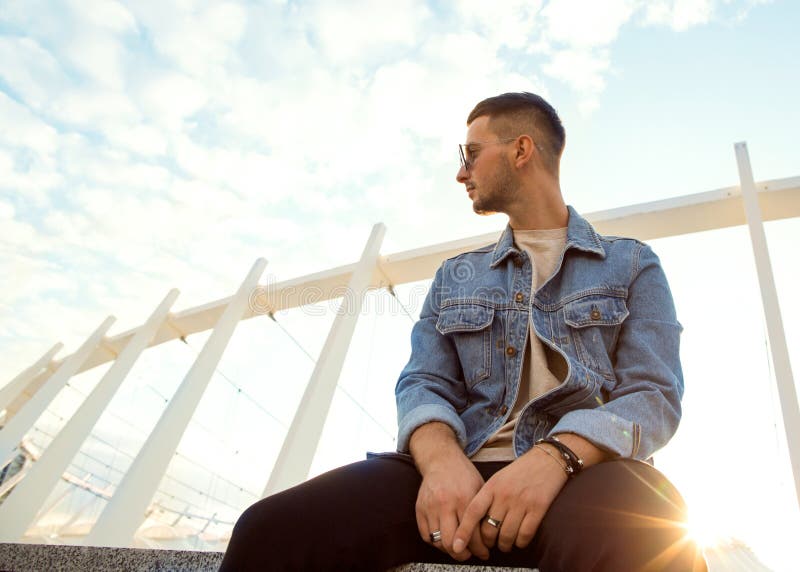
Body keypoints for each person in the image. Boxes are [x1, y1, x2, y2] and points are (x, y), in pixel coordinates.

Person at [219, 92, 707, 571]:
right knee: (268, 531)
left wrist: (555, 457)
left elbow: (653, 395)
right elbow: (423, 382)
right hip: (456, 472)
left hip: (582, 477)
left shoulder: (631, 264)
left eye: (471, 153)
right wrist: (439, 462)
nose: (460, 172)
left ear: (521, 150)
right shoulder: (456, 275)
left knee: (653, 535)